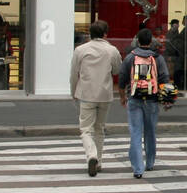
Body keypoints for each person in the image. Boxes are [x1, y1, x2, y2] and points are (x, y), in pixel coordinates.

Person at [69, 20, 122, 177]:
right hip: (104, 94)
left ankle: (91, 155)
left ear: (89, 34)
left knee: (86, 129)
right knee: (100, 128)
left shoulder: (80, 50)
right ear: (105, 34)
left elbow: (74, 73)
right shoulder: (112, 50)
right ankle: (98, 160)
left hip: (86, 93)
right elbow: (117, 69)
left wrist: (73, 91)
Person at [119, 27, 171, 178]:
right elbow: (164, 79)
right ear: (151, 41)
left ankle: (137, 169)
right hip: (152, 100)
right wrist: (166, 101)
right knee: (150, 132)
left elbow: (122, 79)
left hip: (134, 99)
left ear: (137, 41)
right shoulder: (157, 58)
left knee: (135, 132)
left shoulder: (130, 57)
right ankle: (150, 163)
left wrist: (123, 97)